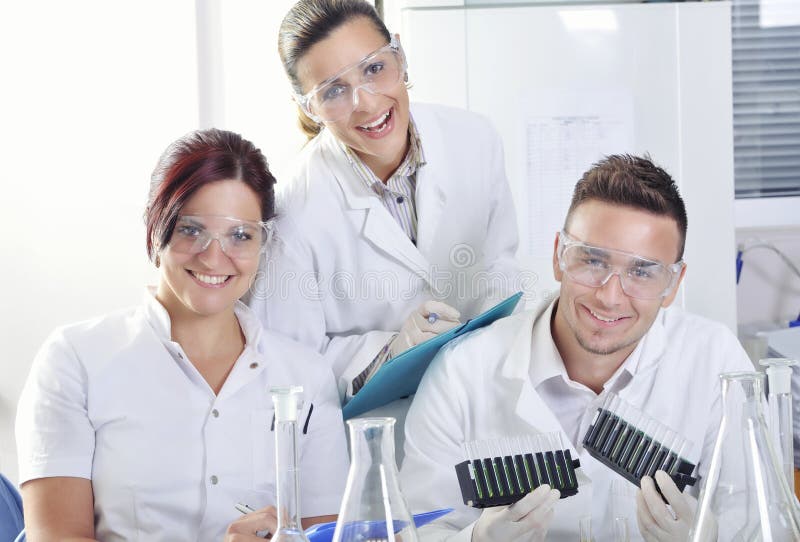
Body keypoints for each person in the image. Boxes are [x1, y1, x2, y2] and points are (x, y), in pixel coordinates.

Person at [15, 129, 349, 542]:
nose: (213, 256)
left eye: (240, 235)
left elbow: (330, 534)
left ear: (264, 243)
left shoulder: (306, 376)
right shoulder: (75, 360)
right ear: (157, 229)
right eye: (192, 230)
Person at [399, 154, 754, 541]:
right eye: (593, 260)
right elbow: (416, 529)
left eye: (642, 272)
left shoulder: (716, 362)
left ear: (673, 283)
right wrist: (476, 540)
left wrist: (707, 540)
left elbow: (761, 523)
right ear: (558, 256)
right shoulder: (461, 372)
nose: (611, 297)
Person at [249, 0, 524, 431]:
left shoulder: (475, 138)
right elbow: (287, 365)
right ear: (309, 108)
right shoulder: (292, 210)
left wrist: (482, 341)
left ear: (399, 54)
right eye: (333, 91)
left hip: (482, 411)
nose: (366, 102)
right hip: (382, 439)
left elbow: (500, 267)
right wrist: (392, 349)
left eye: (374, 69)